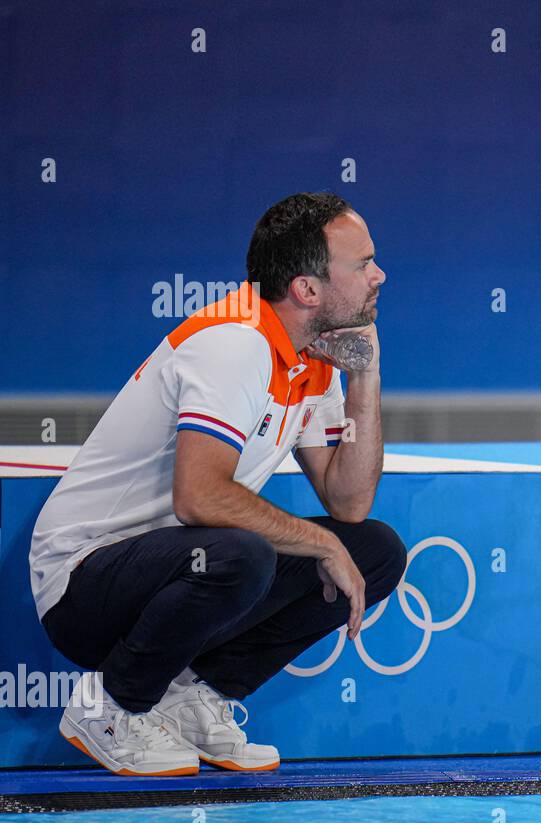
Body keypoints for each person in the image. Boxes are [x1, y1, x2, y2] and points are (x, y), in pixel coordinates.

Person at [28, 191, 407, 776]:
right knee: (241, 551)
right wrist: (321, 543)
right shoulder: (237, 343)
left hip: (173, 573)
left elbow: (349, 502)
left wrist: (366, 374)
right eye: (362, 264)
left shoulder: (311, 359)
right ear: (307, 290)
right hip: (83, 583)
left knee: (375, 550)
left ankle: (189, 701)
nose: (379, 274)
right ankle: (110, 708)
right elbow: (199, 496)